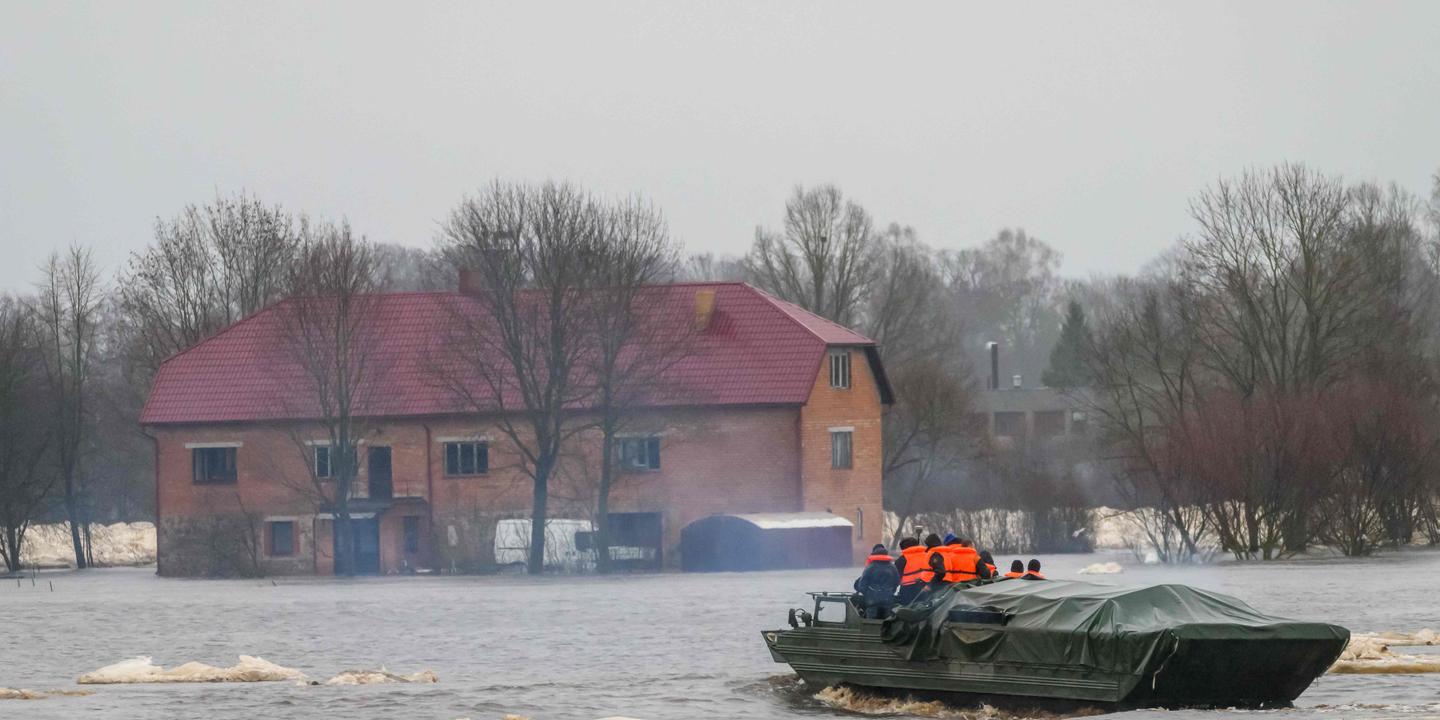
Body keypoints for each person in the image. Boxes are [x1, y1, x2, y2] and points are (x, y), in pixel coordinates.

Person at [853, 544, 900, 618]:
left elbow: (862, 584)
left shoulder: (871, 567)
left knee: (871, 619)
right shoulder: (893, 567)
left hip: (872, 599)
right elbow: (897, 581)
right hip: (888, 598)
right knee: (887, 618)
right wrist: (890, 591)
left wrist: (867, 593)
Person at [894, 537, 928, 604]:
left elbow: (896, 578)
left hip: (908, 590)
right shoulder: (928, 556)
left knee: (907, 608)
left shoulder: (902, 560)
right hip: (925, 587)